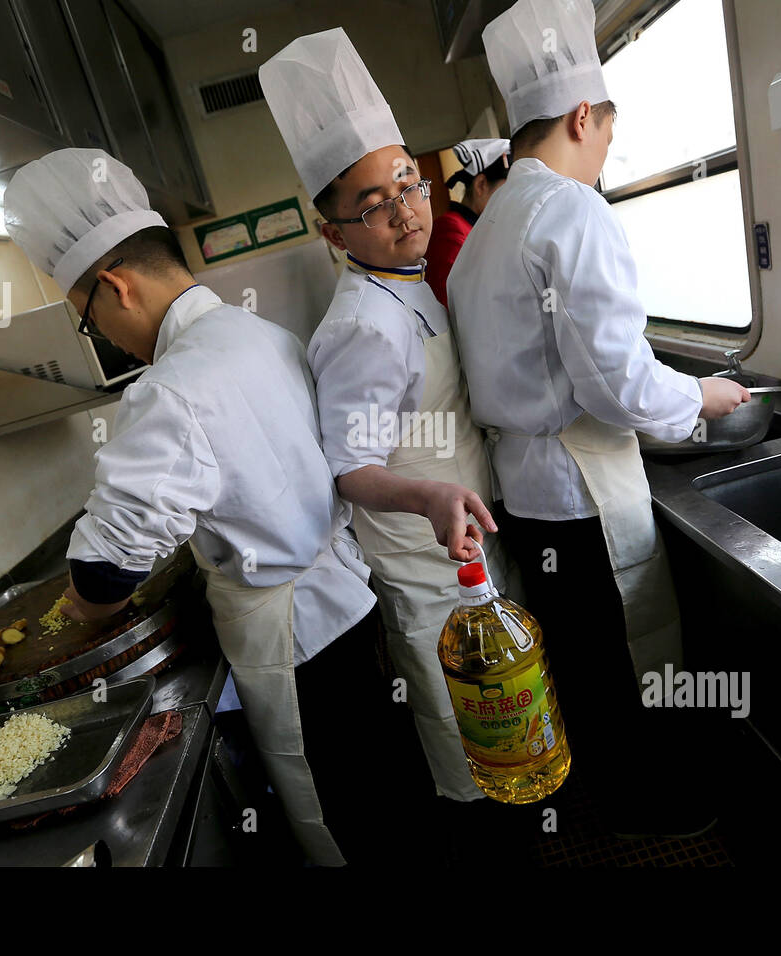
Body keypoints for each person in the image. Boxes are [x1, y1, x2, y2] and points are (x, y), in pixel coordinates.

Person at [2, 148, 425, 866]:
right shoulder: (261, 335)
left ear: (115, 288)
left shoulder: (170, 387)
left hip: (298, 645)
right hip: (352, 607)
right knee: (393, 796)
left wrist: (73, 619)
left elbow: (107, 568)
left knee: (348, 825)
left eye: (88, 319)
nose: (101, 334)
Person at [447, 0, 750, 838]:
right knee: (630, 655)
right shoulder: (571, 213)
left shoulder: (485, 233)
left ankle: (612, 802)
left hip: (528, 493)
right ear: (584, 116)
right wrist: (701, 397)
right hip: (580, 489)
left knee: (585, 662)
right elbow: (618, 386)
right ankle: (653, 817)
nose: (606, 160)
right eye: (609, 140)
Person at [260, 29, 512, 815]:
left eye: (409, 183)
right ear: (333, 234)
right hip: (425, 558)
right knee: (469, 733)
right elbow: (349, 469)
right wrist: (433, 500)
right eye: (374, 206)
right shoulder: (363, 324)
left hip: (463, 539)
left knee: (504, 720)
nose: (406, 212)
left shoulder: (409, 280)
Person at [426, 138, 511, 307]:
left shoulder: (478, 229)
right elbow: (456, 304)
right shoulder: (450, 230)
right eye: (508, 191)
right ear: (481, 185)